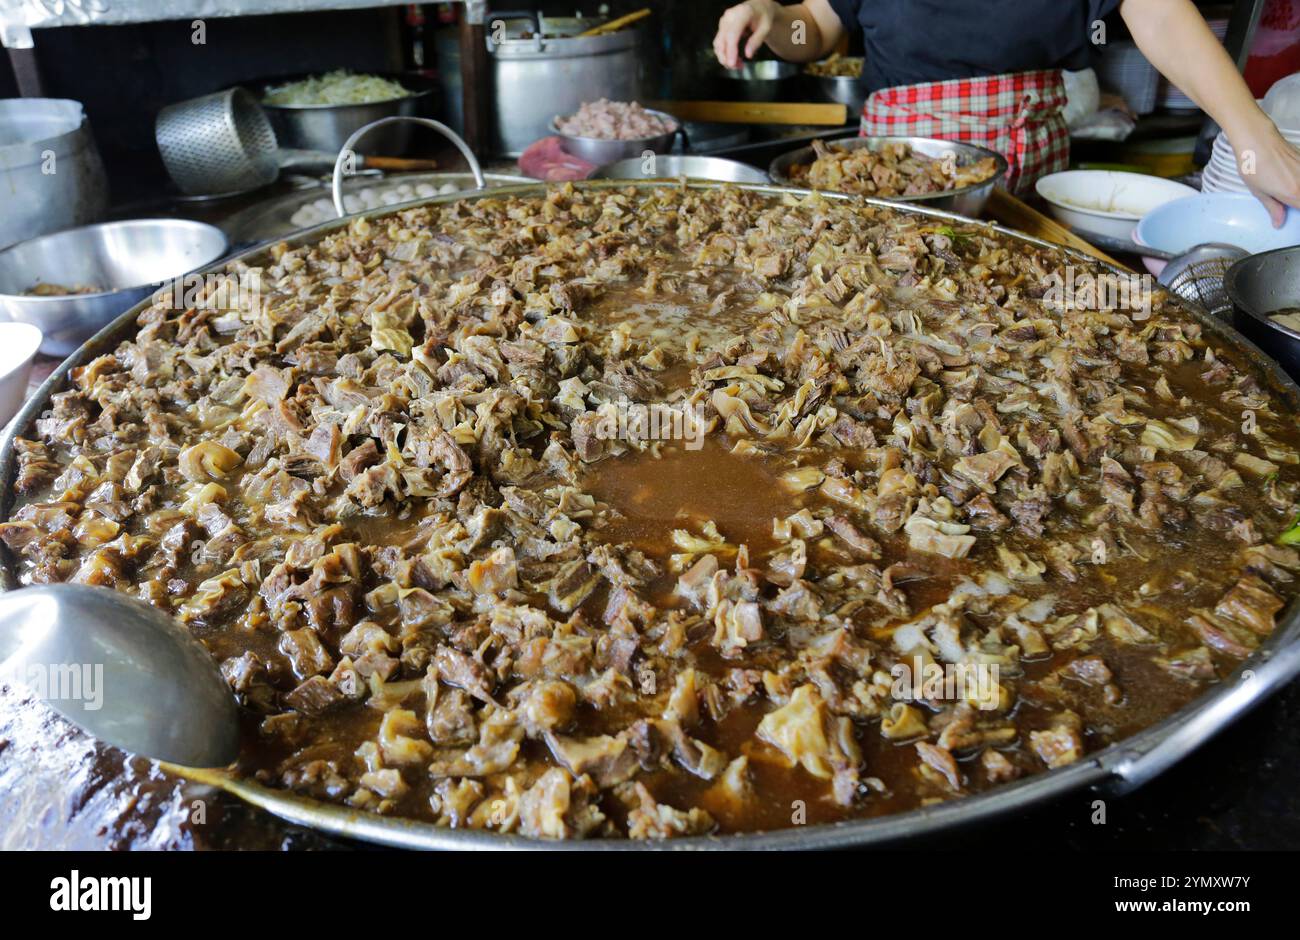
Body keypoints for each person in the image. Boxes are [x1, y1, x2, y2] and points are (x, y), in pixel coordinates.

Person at [714, 0, 1300, 219]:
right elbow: (815, 29)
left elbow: (1160, 12)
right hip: (880, 199)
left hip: (1030, 199)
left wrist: (1254, 135)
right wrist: (773, 20)